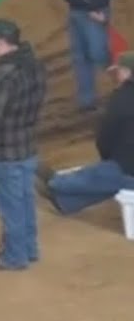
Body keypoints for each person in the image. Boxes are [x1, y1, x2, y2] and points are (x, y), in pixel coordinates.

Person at [0, 19, 48, 271]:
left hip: (4, 151)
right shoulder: (34, 66)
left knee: (10, 205)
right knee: (25, 200)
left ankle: (15, 256)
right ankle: (28, 247)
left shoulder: (2, 76)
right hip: (26, 144)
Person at [38, 51, 134, 215]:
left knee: (112, 173)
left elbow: (105, 137)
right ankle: (63, 200)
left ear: (127, 73)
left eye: (120, 71)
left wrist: (110, 159)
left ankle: (57, 184)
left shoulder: (122, 97)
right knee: (115, 174)